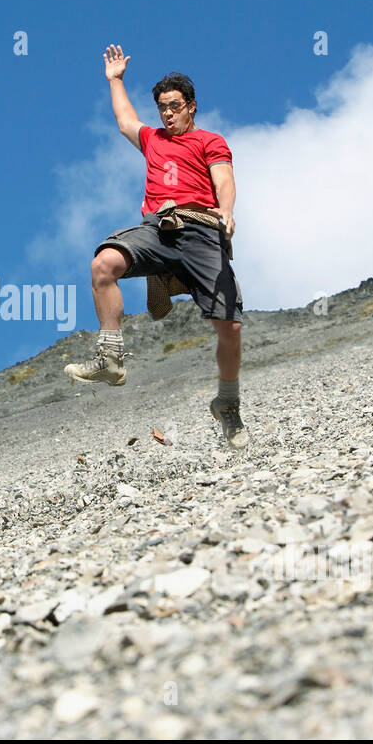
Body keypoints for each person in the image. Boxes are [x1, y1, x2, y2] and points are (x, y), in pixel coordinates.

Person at [64, 44, 248, 450]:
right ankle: (111, 358)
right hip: (159, 228)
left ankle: (228, 404)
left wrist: (227, 211)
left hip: (201, 228)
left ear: (191, 107)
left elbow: (224, 180)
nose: (167, 113)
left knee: (230, 327)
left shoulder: (210, 141)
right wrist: (115, 80)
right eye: (162, 106)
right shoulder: (152, 139)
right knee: (103, 265)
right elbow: (125, 120)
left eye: (174, 106)